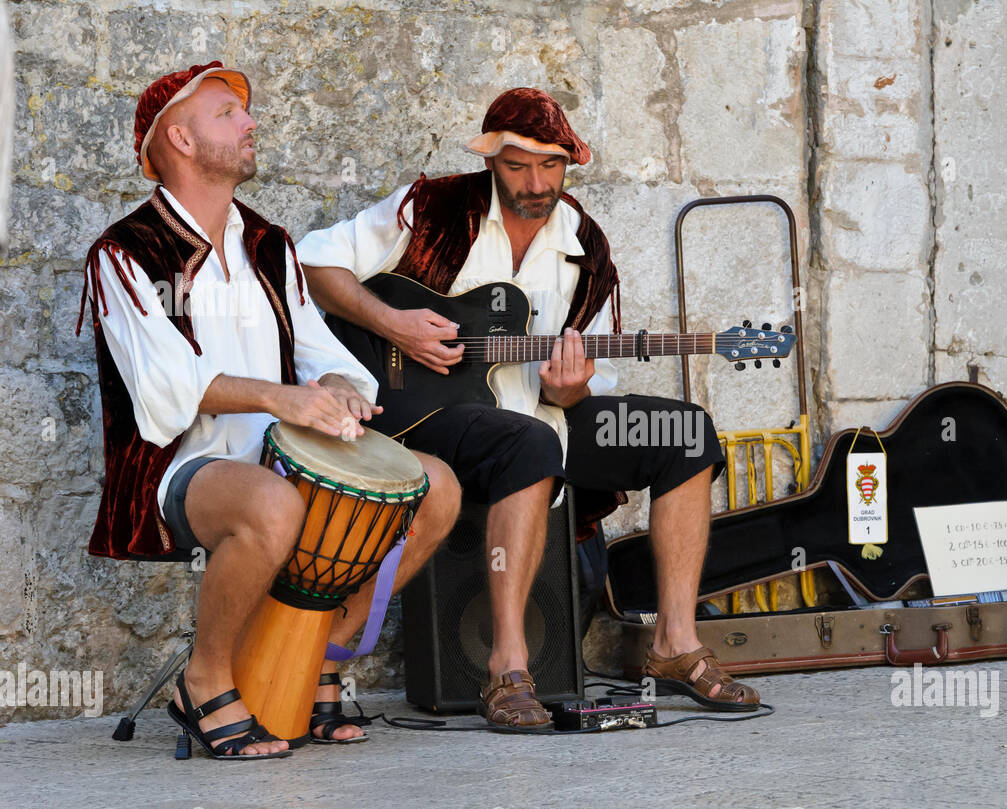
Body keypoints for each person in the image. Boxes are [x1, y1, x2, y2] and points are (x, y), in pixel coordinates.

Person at [298, 87, 759, 731]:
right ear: (491, 159)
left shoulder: (581, 245)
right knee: (528, 443)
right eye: (518, 166)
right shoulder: (431, 207)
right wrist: (395, 325)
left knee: (683, 431)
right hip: (425, 413)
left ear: (569, 165)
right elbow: (314, 262)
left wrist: (570, 391)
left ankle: (672, 645)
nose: (535, 182)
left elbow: (564, 380)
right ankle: (508, 667)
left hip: (535, 410)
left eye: (550, 167)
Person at [77, 62, 460, 759]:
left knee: (436, 489)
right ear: (181, 139)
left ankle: (322, 655)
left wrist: (342, 385)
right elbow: (166, 390)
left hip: (279, 462)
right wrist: (280, 397)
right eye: (228, 114)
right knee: (275, 503)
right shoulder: (125, 252)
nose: (250, 123)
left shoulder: (268, 245)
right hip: (182, 467)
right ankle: (205, 678)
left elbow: (321, 351)